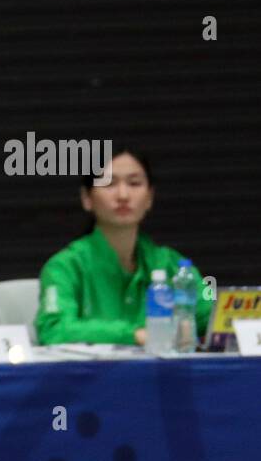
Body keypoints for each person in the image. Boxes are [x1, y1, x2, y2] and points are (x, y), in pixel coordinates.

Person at [35, 147, 210, 346]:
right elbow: (54, 330)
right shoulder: (65, 266)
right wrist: (135, 335)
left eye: (134, 183)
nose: (123, 195)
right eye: (109, 183)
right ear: (87, 198)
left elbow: (211, 315)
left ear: (150, 197)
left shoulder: (172, 264)